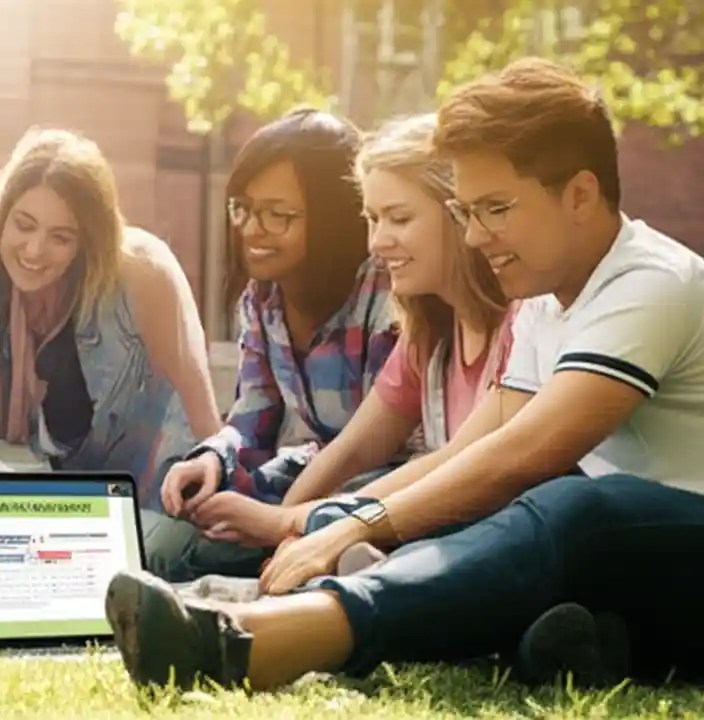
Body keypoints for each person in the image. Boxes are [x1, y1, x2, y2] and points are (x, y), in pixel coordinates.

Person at [103, 58, 704, 692]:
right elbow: (472, 450)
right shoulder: (543, 301)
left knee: (570, 501)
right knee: (498, 518)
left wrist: (353, 523)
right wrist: (338, 520)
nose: (475, 237)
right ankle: (578, 643)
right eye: (468, 212)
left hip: (669, 543)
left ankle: (251, 642)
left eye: (496, 209)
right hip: (629, 566)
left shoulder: (650, 284)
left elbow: (527, 454)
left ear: (579, 195)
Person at [182, 114, 515, 564]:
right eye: (372, 220)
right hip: (372, 506)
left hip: (455, 520)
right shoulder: (426, 327)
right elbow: (349, 449)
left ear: (459, 215)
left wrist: (295, 524)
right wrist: (287, 530)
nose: (377, 244)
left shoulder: (518, 320)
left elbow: (456, 464)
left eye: (398, 218)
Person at [143, 109, 400, 582]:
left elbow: (379, 451)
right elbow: (252, 419)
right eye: (243, 207)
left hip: (381, 492)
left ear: (336, 218)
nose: (252, 229)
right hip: (305, 483)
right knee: (163, 547)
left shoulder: (385, 295)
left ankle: (344, 573)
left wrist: (282, 516)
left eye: (277, 215)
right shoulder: (263, 299)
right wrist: (211, 460)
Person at [0, 128, 221, 505]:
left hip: (162, 496)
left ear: (86, 241)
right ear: (1, 217)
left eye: (60, 237)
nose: (34, 250)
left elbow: (204, 425)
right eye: (24, 225)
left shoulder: (140, 270)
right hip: (59, 501)